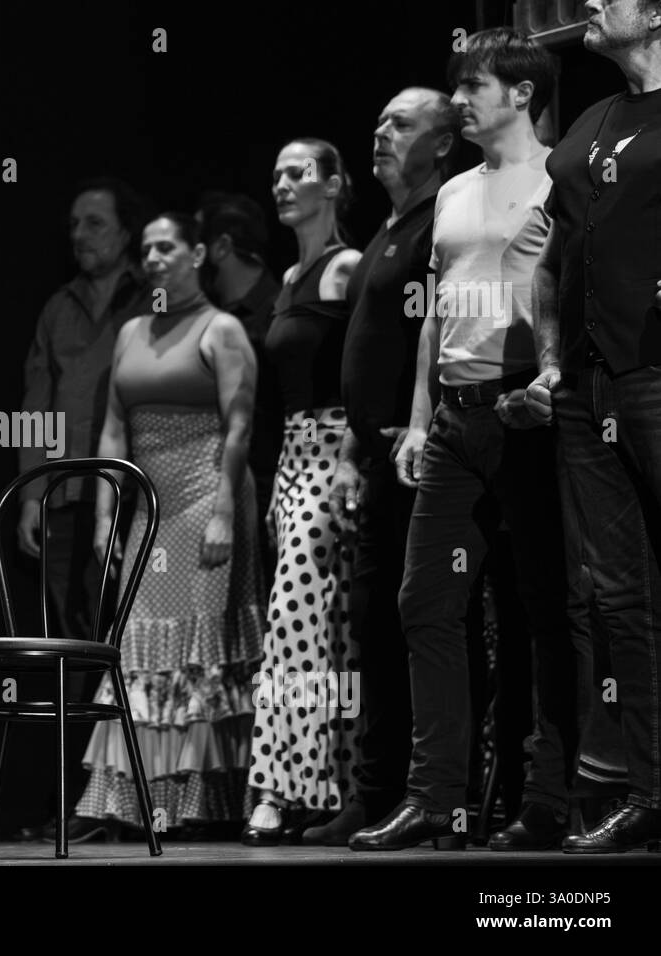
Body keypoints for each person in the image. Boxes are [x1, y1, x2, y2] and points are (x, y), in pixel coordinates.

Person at [351, 27, 578, 852]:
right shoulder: (451, 192)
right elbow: (436, 314)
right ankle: (432, 797)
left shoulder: (561, 176)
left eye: (474, 86)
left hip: (524, 414)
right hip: (454, 419)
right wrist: (418, 419)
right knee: (424, 603)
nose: (459, 102)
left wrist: (551, 383)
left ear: (522, 93)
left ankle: (548, 797)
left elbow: (571, 294)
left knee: (542, 611)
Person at [76, 212, 267, 835]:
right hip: (150, 509)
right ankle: (136, 800)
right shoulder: (132, 331)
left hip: (209, 494)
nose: (155, 258)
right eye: (148, 248)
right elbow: (113, 427)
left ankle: (204, 802)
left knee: (202, 648)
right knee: (141, 646)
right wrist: (104, 514)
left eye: (168, 247)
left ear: (198, 255)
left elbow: (240, 425)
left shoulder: (221, 328)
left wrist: (222, 512)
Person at [302, 88, 459, 846]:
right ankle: (376, 789)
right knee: (370, 623)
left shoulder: (439, 222)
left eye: (401, 123)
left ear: (443, 143)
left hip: (417, 456)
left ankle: (434, 797)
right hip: (371, 456)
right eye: (379, 121)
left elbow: (437, 334)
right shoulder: (388, 231)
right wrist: (349, 453)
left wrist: (417, 427)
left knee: (416, 623)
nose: (381, 131)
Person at [526, 0, 661, 853]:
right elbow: (549, 258)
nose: (588, 5)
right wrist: (548, 360)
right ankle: (651, 790)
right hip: (586, 385)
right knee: (618, 597)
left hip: (654, 374)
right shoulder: (588, 124)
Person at [13, 178, 150, 842]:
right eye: (74, 224)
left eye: (94, 223)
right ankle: (78, 804)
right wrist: (31, 494)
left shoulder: (149, 298)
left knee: (130, 645)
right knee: (74, 649)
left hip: (132, 497)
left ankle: (132, 800)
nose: (80, 235)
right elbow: (37, 403)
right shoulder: (58, 307)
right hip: (66, 500)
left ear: (125, 232)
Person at [242, 139, 364, 845]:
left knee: (297, 620)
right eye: (277, 174)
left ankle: (277, 789)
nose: (283, 184)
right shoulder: (289, 278)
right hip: (292, 458)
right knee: (315, 622)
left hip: (334, 448)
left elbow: (367, 365)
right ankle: (319, 784)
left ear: (334, 184)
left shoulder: (346, 267)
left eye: (298, 173)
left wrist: (352, 457)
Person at [198, 195, 284, 588]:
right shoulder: (204, 317)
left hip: (269, 484)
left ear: (220, 247)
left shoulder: (280, 311)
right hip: (211, 486)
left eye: (197, 246)